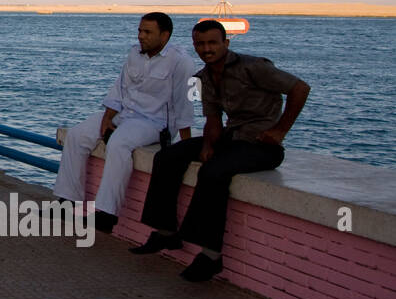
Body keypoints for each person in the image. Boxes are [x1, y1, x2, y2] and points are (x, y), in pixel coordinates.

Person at [131, 20, 310, 282]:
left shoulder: (254, 67)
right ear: (195, 45)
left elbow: (299, 88)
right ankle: (166, 233)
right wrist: (207, 145)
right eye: (201, 44)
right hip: (231, 139)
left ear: (226, 43)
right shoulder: (203, 78)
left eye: (213, 42)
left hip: (262, 147)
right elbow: (213, 118)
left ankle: (211, 256)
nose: (207, 48)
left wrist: (280, 130)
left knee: (214, 173)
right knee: (168, 156)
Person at [53, 12, 197, 234]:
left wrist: (186, 145)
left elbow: (185, 104)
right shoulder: (134, 54)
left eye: (147, 32)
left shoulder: (182, 62)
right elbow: (119, 88)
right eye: (140, 31)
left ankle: (106, 214)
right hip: (125, 114)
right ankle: (66, 202)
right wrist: (107, 118)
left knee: (118, 144)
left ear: (165, 35)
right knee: (76, 135)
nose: (141, 36)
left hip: (154, 122)